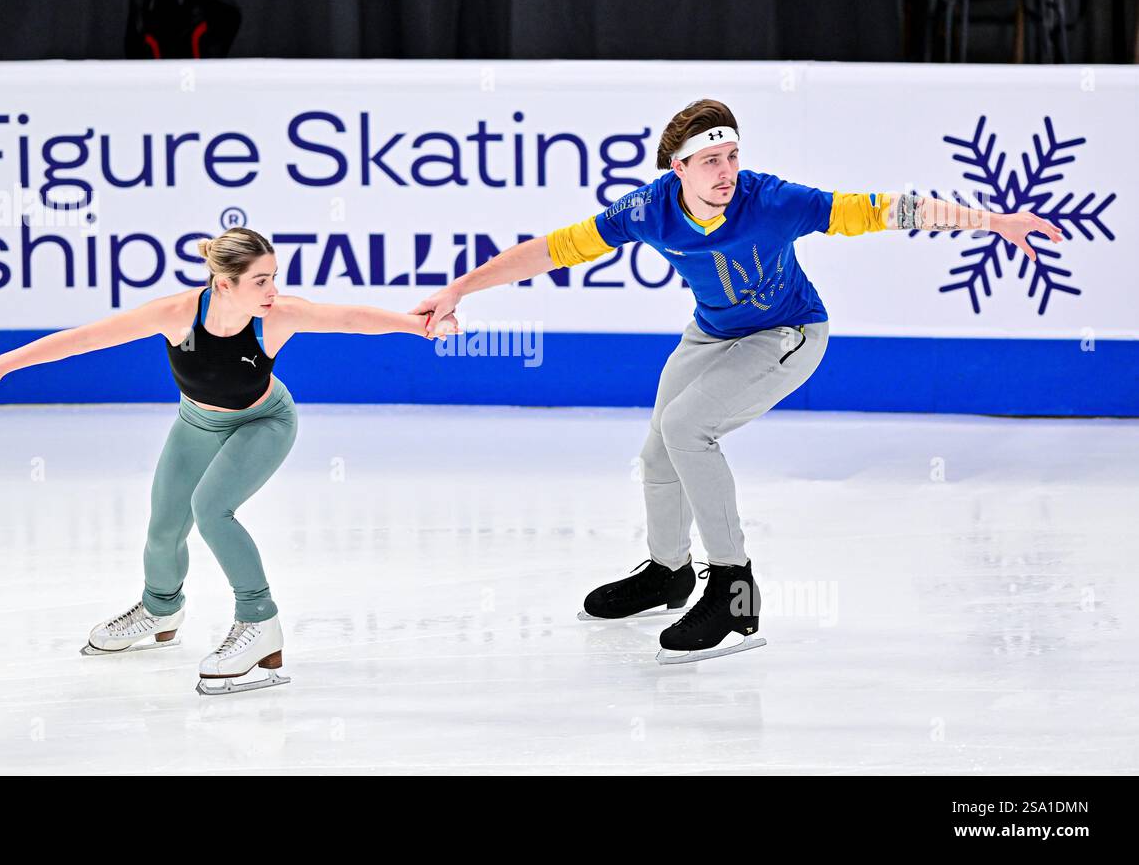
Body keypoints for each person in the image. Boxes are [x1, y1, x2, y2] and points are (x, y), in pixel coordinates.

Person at [411, 98, 1062, 664]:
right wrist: (462, 287)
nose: (727, 171)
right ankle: (668, 573)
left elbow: (884, 210)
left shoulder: (774, 201)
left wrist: (993, 222)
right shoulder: (648, 210)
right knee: (658, 451)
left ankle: (733, 593)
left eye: (732, 156)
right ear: (680, 170)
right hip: (712, 335)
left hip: (789, 336)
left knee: (689, 429)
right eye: (711, 160)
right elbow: (553, 249)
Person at [0, 227, 457, 693]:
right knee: (164, 525)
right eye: (260, 281)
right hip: (196, 423)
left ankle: (259, 621)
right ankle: (160, 610)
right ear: (225, 283)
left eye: (274, 277)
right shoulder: (176, 314)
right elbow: (85, 339)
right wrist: (1, 365)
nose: (272, 290)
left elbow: (349, 318)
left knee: (211, 509)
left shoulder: (276, 317)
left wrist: (420, 327)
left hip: (264, 421)